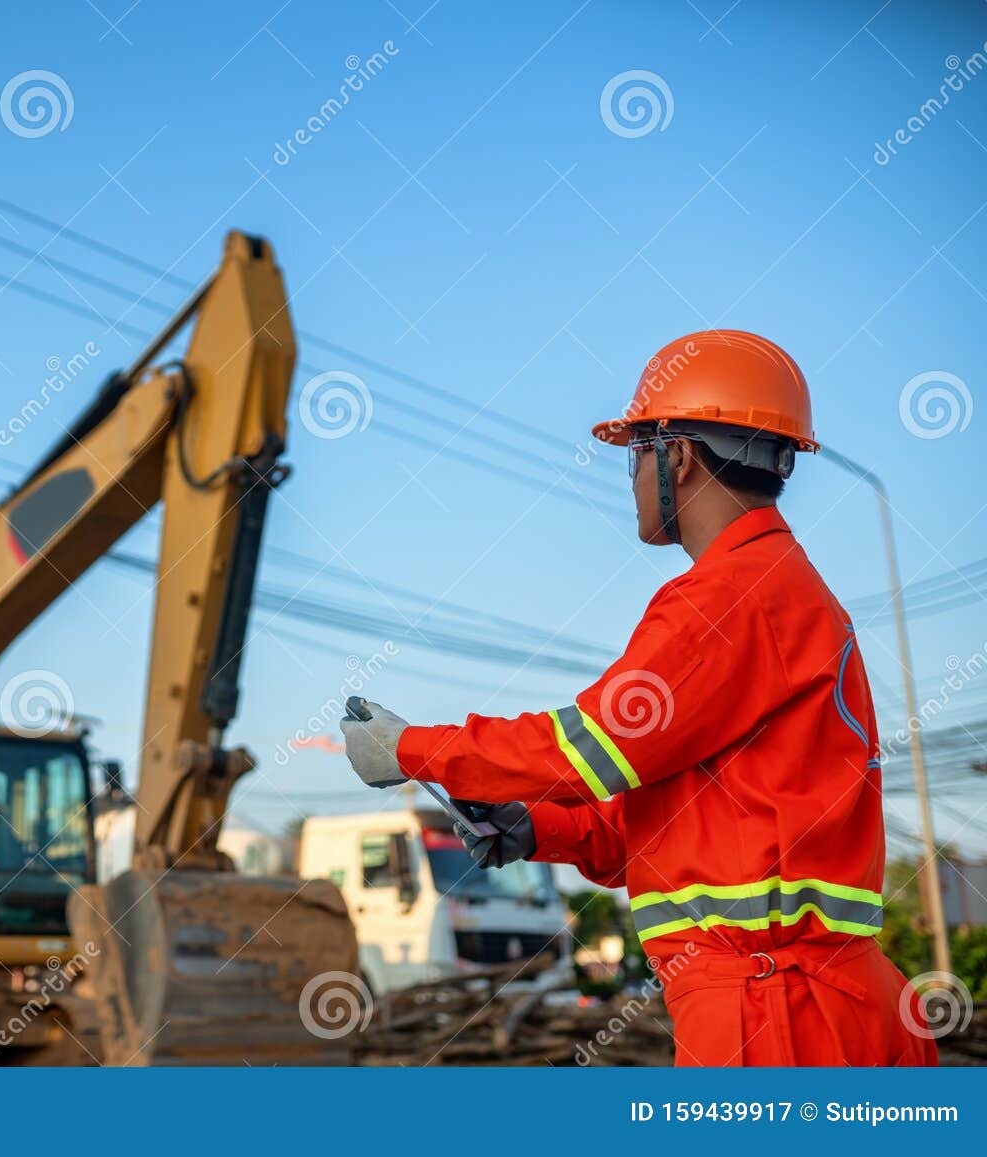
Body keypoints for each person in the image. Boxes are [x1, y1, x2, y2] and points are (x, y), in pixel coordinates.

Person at [341, 330, 936, 1066]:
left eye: (635, 453)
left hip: (772, 1015)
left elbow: (584, 747)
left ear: (677, 456)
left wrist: (408, 749)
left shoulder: (726, 598)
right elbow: (670, 822)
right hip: (824, 1005)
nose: (630, 476)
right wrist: (537, 828)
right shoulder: (787, 593)